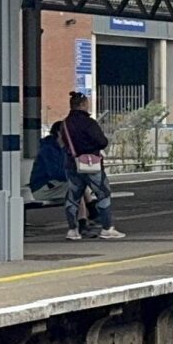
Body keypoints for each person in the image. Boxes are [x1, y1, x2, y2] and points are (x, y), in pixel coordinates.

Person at [53, 92, 124, 241]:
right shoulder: (89, 123)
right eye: (87, 103)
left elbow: (62, 142)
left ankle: (73, 230)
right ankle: (107, 228)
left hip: (72, 163)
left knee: (73, 197)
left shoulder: (64, 124)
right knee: (103, 194)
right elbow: (102, 141)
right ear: (83, 105)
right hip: (92, 163)